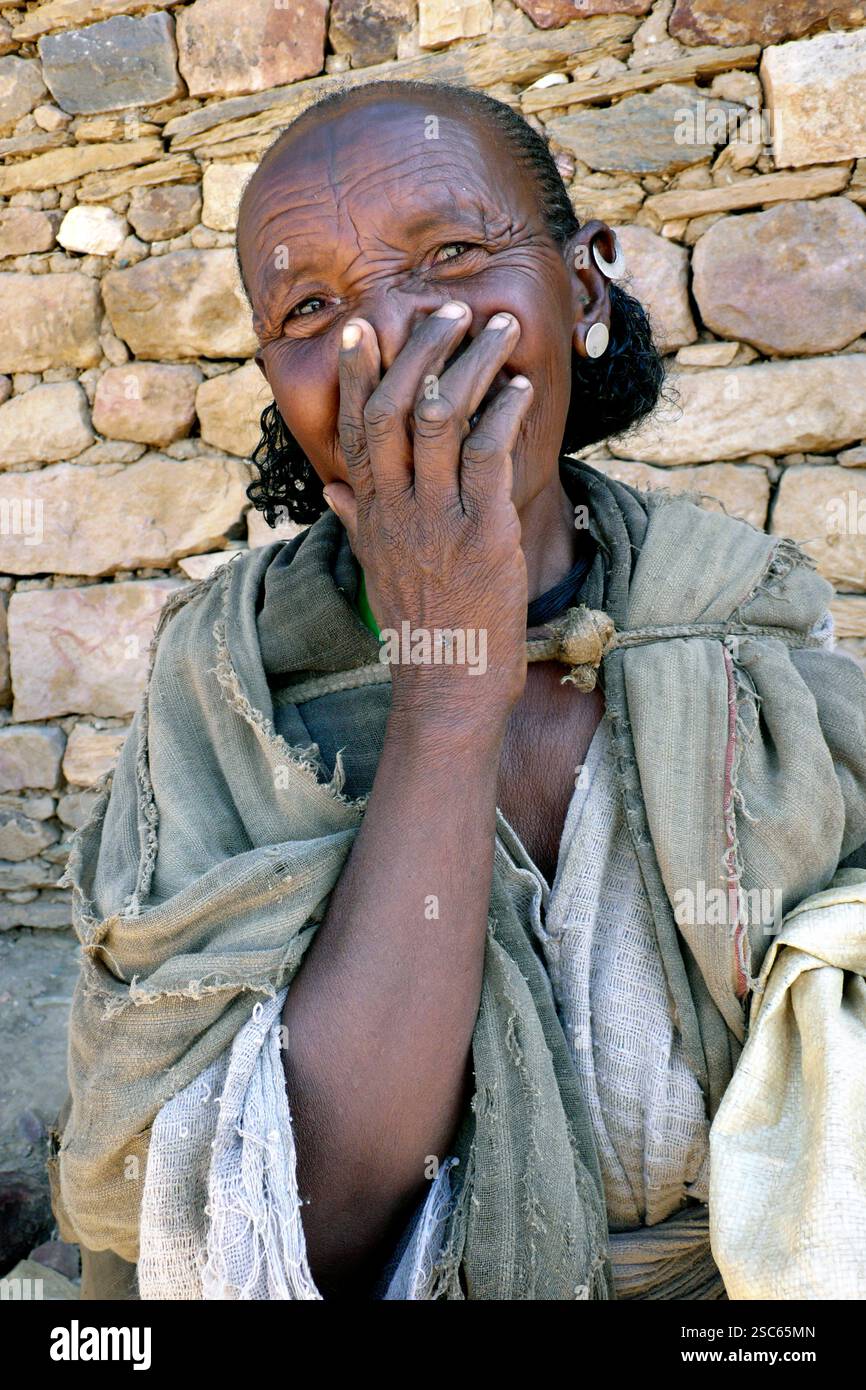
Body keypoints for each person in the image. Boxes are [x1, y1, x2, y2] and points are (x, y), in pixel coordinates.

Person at [52, 80, 866, 1302]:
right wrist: (449, 680)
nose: (389, 339)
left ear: (581, 285)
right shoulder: (234, 682)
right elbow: (285, 1224)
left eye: (450, 252)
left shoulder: (738, 612)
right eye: (311, 305)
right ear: (276, 376)